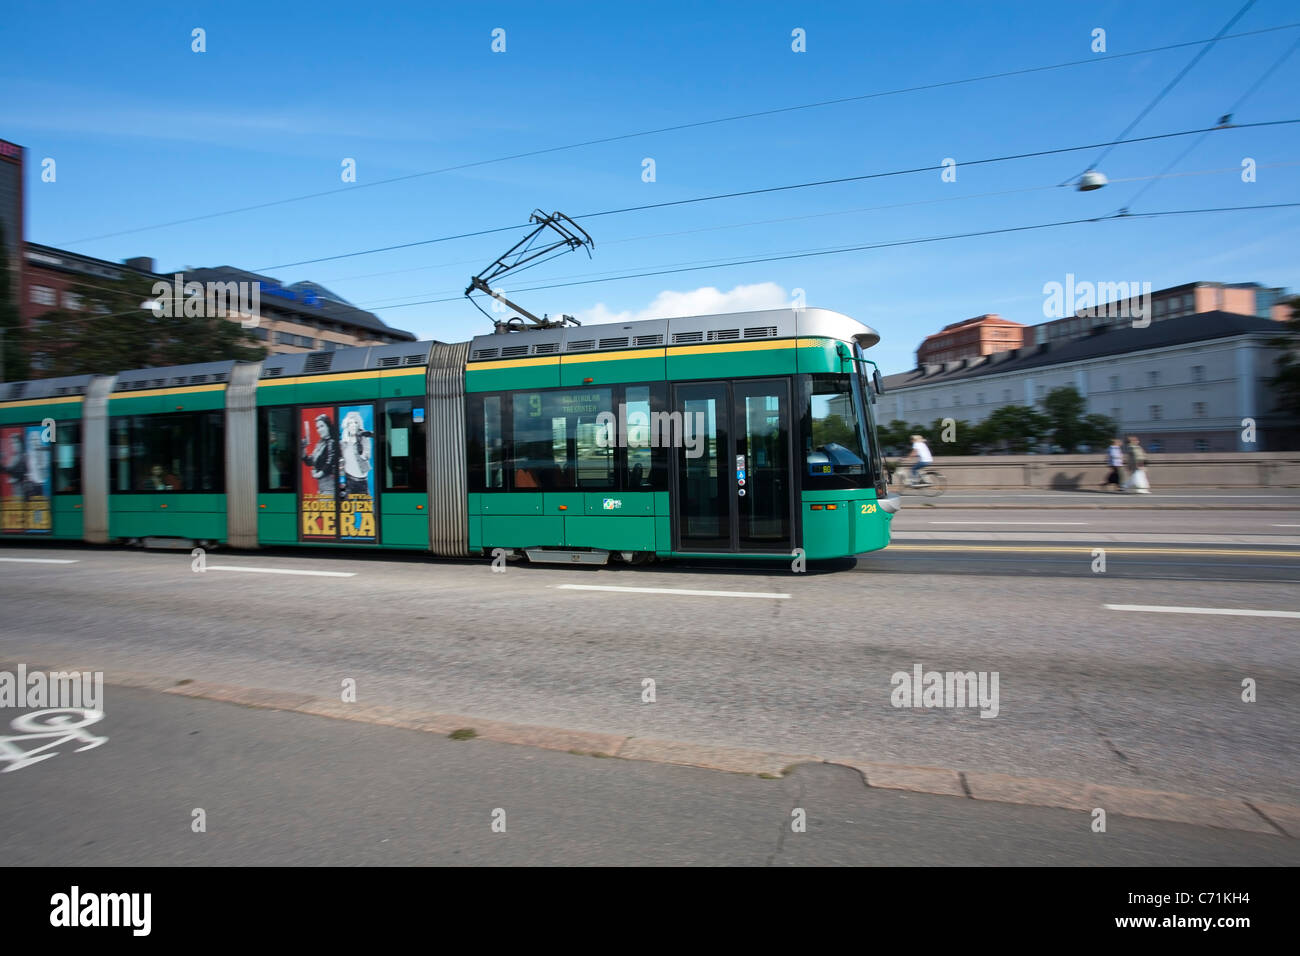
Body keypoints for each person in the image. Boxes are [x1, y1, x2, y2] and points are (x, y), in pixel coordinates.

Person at [302, 414, 339, 498]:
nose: (319, 430)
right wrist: (303, 448)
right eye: (317, 428)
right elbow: (310, 461)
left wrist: (318, 474)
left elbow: (330, 462)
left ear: (328, 426)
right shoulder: (320, 443)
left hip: (329, 487)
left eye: (322, 426)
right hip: (322, 487)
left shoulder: (332, 442)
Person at [339, 410, 373, 497]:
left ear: (359, 425)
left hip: (362, 482)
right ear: (347, 425)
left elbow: (366, 456)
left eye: (356, 422)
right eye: (350, 423)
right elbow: (341, 463)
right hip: (348, 481)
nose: (353, 425)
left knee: (367, 509)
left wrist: (359, 440)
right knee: (345, 509)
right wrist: (342, 482)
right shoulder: (343, 443)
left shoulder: (364, 440)